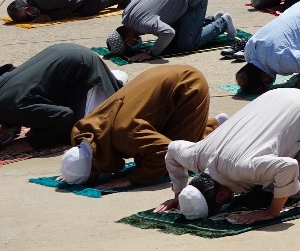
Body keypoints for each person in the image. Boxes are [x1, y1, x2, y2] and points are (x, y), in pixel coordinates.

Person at [163, 88, 300, 225]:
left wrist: (271, 212)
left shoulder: (243, 167)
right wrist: (179, 194)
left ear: (222, 196)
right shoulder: (196, 158)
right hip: (274, 98)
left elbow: (288, 167)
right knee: (273, 184)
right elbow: (172, 150)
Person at [56, 64, 218, 189]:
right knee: (147, 148)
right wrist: (73, 169)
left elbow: (164, 152)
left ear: (94, 169)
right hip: (164, 77)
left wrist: (131, 179)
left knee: (181, 156)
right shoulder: (87, 130)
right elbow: (81, 156)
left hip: (187, 84)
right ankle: (206, 126)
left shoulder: (125, 135)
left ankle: (217, 130)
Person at [0, 43, 122, 155]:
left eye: (0, 140)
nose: (6, 140)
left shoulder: (11, 109)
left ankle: (113, 81)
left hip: (82, 66)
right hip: (62, 53)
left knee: (77, 133)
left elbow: (64, 116)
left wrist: (33, 143)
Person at [110, 0, 236, 61]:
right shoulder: (127, 14)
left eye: (129, 46)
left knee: (187, 43)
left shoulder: (142, 24)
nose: (133, 47)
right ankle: (213, 19)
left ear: (128, 39)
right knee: (176, 39)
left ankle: (223, 22)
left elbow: (168, 33)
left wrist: (150, 53)